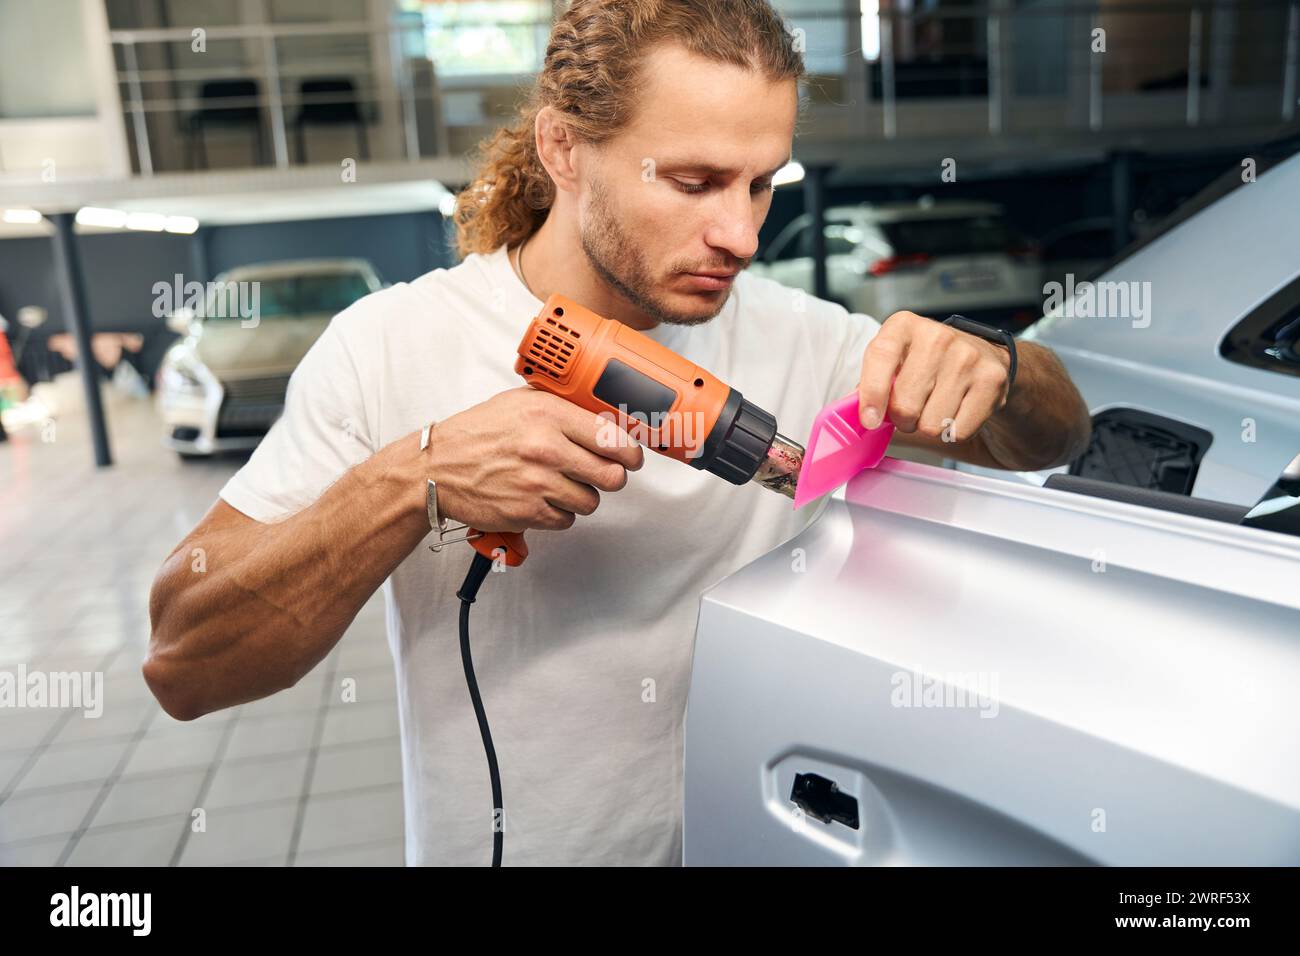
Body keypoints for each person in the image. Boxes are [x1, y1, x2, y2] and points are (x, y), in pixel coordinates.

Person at [145, 0, 1091, 866]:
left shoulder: (807, 339)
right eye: (693, 181)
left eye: (763, 184)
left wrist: (998, 369)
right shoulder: (388, 348)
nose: (742, 233)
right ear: (563, 149)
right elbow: (183, 664)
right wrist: (409, 480)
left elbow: (1055, 435)